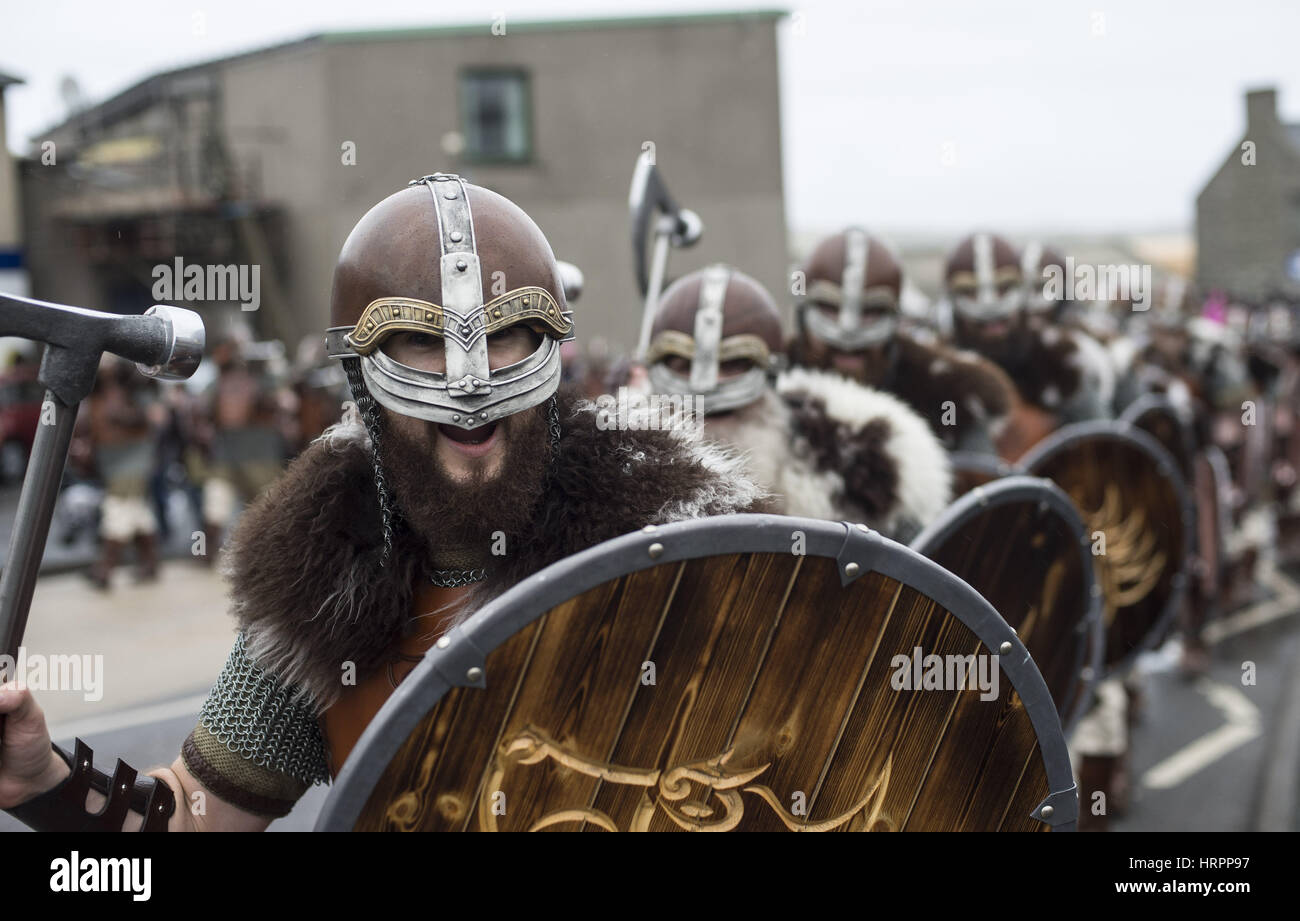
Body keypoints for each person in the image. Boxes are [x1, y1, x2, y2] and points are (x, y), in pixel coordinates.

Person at [0, 174, 762, 831]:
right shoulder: (322, 582)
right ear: (364, 377)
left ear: (548, 346)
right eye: (421, 341)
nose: (470, 385)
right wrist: (44, 782)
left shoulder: (674, 532)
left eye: (505, 335)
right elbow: (196, 817)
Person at [643, 262, 952, 541]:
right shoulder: (618, 462)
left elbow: (911, 580)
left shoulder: (861, 465)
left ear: (771, 372)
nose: (709, 385)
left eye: (735, 363)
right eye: (681, 363)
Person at [789, 228, 1015, 456]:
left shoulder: (946, 397)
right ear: (802, 315)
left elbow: (981, 479)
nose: (848, 337)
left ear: (895, 318)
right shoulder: (773, 389)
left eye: (871, 311)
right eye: (830, 310)